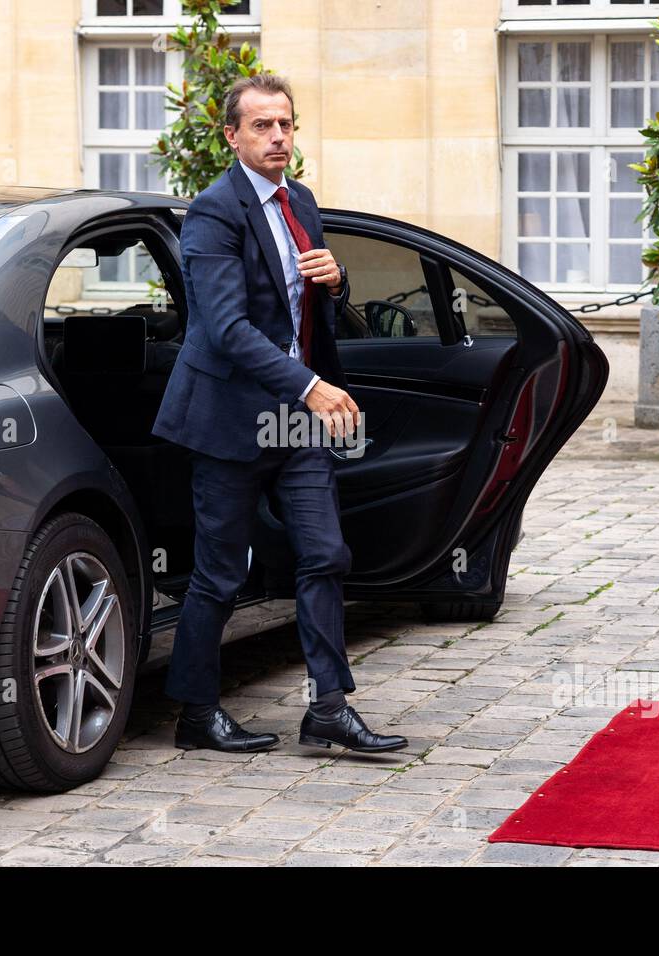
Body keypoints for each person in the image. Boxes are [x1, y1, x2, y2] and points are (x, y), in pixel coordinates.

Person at [152, 73, 408, 755]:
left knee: (325, 553)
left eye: (286, 125)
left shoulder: (302, 201)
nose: (277, 138)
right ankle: (196, 713)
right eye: (262, 126)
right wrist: (311, 388)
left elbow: (304, 305)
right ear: (231, 134)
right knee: (220, 573)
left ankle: (328, 709)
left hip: (292, 421)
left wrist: (337, 279)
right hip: (230, 415)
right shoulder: (214, 212)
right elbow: (226, 329)